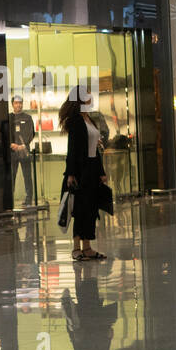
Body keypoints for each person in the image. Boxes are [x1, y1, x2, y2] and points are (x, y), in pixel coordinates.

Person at [61, 84, 108, 261]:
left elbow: (95, 149)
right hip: (80, 171)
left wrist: (101, 171)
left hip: (92, 168)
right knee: (80, 209)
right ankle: (76, 247)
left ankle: (87, 246)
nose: (90, 97)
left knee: (91, 208)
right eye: (87, 95)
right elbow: (72, 149)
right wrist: (71, 173)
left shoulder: (89, 119)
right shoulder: (75, 121)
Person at [2, 95, 36, 207]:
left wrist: (23, 145)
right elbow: (5, 133)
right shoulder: (8, 118)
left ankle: (28, 200)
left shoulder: (28, 117)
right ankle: (9, 201)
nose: (18, 105)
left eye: (20, 102)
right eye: (16, 103)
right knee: (11, 177)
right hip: (12, 152)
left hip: (24, 151)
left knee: (27, 176)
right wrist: (11, 144)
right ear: (12, 104)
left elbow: (31, 133)